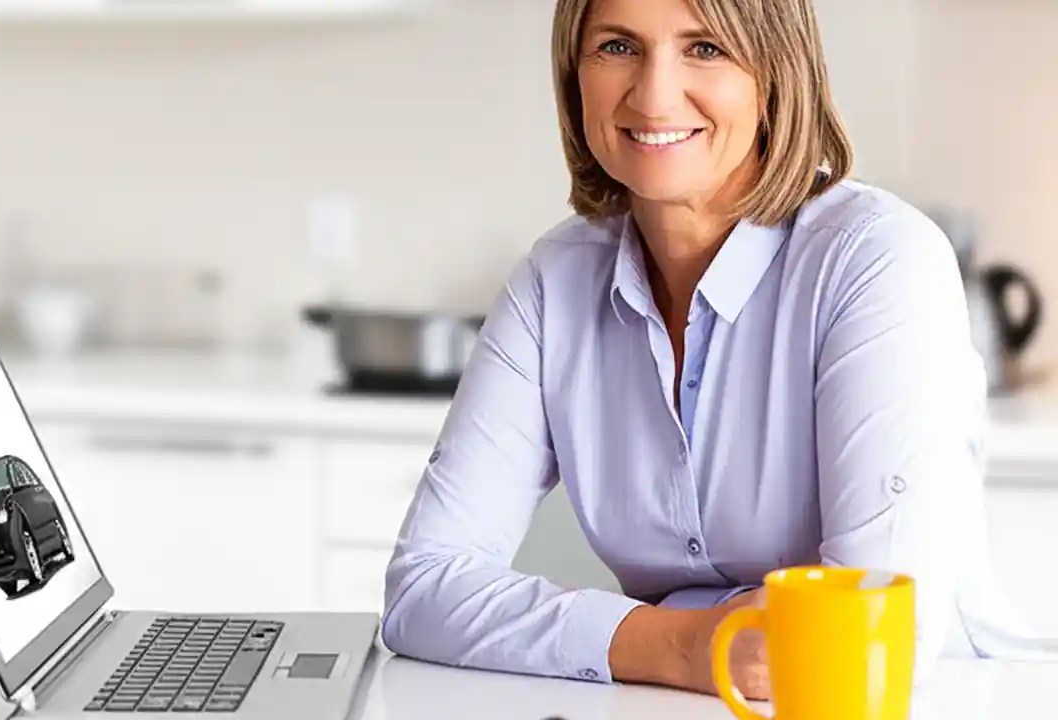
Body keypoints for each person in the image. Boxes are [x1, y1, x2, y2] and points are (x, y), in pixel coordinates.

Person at [380, 0, 1043, 700]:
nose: (655, 94)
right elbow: (423, 587)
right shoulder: (556, 281)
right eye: (616, 47)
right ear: (574, 71)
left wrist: (666, 645)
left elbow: (858, 641)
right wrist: (686, 646)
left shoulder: (876, 260)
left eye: (705, 49)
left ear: (776, 73)